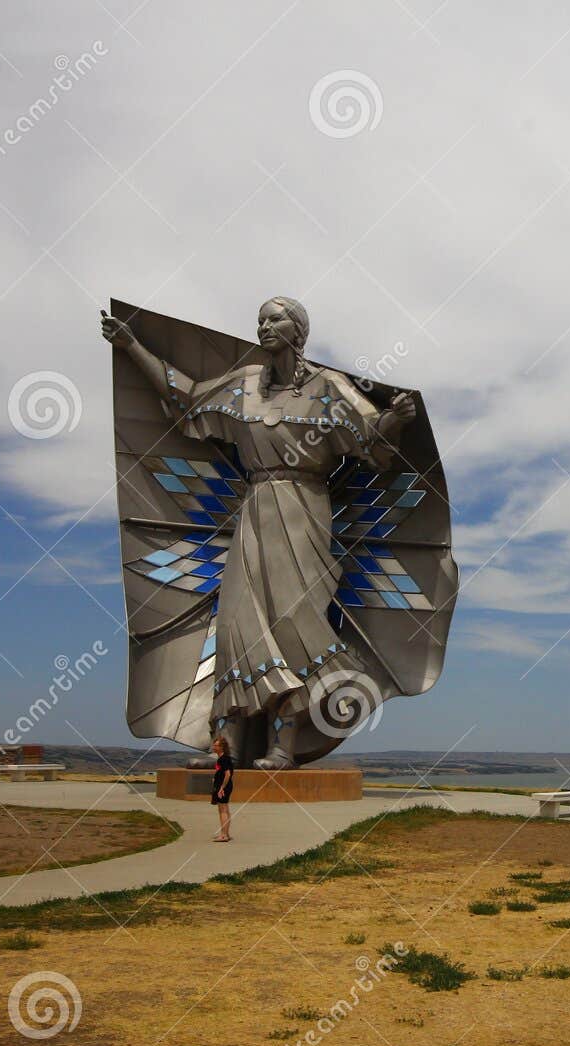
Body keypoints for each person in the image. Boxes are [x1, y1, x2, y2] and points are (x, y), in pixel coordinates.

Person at [101, 297, 416, 769]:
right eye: (261, 320)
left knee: (293, 623)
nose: (265, 326)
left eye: (276, 318)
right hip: (255, 507)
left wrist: (398, 416)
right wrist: (132, 346)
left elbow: (371, 440)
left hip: (304, 509)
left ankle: (282, 747)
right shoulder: (244, 385)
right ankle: (223, 747)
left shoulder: (328, 388)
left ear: (299, 330)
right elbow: (185, 400)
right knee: (236, 623)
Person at [210, 736, 233, 842]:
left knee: (223, 810)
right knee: (225, 810)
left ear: (222, 747)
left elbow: (228, 774)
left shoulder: (224, 759)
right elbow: (221, 772)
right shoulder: (221, 759)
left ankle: (223, 835)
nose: (214, 747)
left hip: (223, 788)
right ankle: (226, 834)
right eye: (214, 744)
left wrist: (221, 788)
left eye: (216, 745)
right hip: (222, 787)